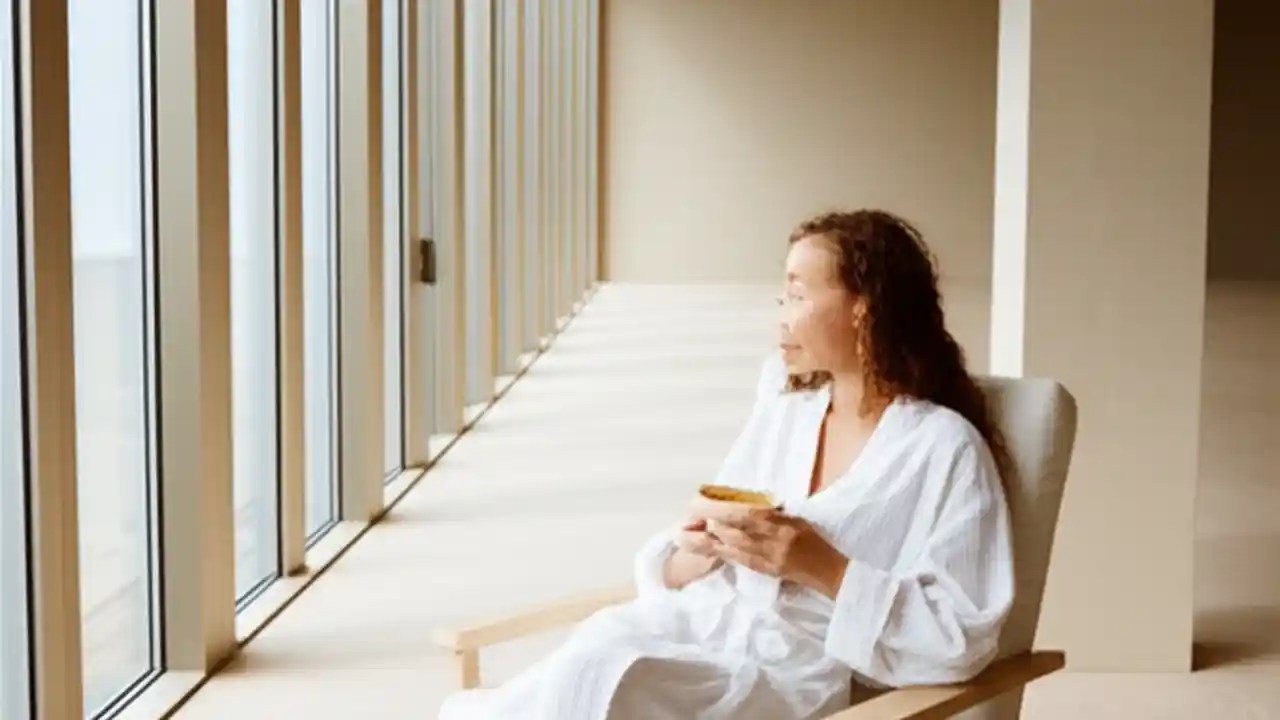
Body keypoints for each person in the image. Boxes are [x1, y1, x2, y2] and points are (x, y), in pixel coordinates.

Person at [438, 210, 1015, 720]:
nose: (780, 314)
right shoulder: (788, 412)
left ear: (863, 310)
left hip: (781, 677)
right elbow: (687, 556)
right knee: (592, 655)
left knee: (604, 676)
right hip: (694, 627)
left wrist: (827, 569)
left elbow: (961, 636)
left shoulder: (942, 449)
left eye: (796, 294)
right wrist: (695, 548)